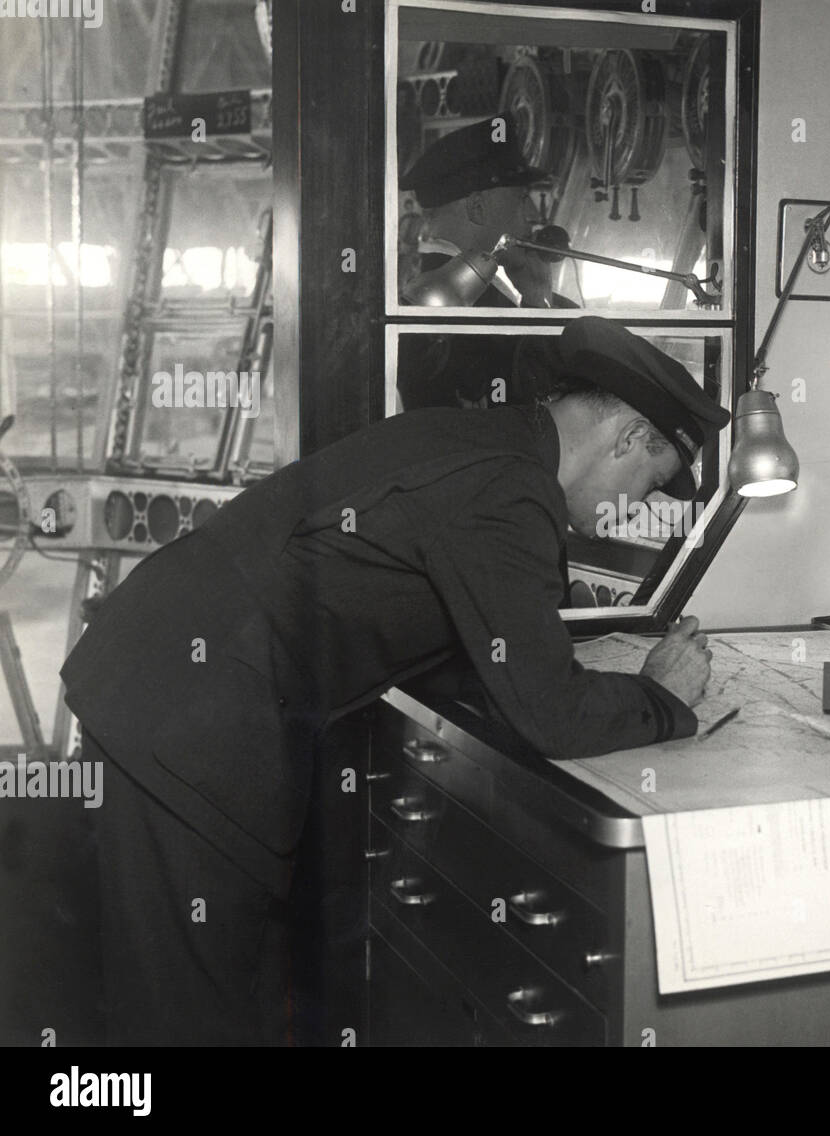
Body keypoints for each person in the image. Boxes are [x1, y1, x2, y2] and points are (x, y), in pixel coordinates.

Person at [60, 316, 728, 1046]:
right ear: (628, 438)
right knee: (185, 1008)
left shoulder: (486, 441)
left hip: (169, 682)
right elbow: (552, 714)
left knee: (192, 984)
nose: (636, 510)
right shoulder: (511, 491)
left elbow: (433, 609)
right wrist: (661, 696)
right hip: (190, 720)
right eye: (651, 484)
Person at [397, 114, 572, 410]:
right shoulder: (456, 306)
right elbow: (536, 409)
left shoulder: (440, 287)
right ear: (477, 208)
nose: (531, 213)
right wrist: (538, 309)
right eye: (521, 199)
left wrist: (537, 299)